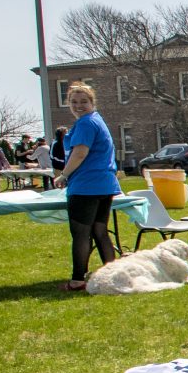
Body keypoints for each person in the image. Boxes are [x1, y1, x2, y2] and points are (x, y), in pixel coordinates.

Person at [54, 84, 121, 288]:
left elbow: (80, 152)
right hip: (104, 184)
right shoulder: (96, 120)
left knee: (81, 233)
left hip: (86, 186)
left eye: (84, 101)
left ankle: (77, 280)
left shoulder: (85, 124)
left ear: (92, 102)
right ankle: (114, 274)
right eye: (74, 102)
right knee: (100, 231)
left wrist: (63, 175)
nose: (78, 105)